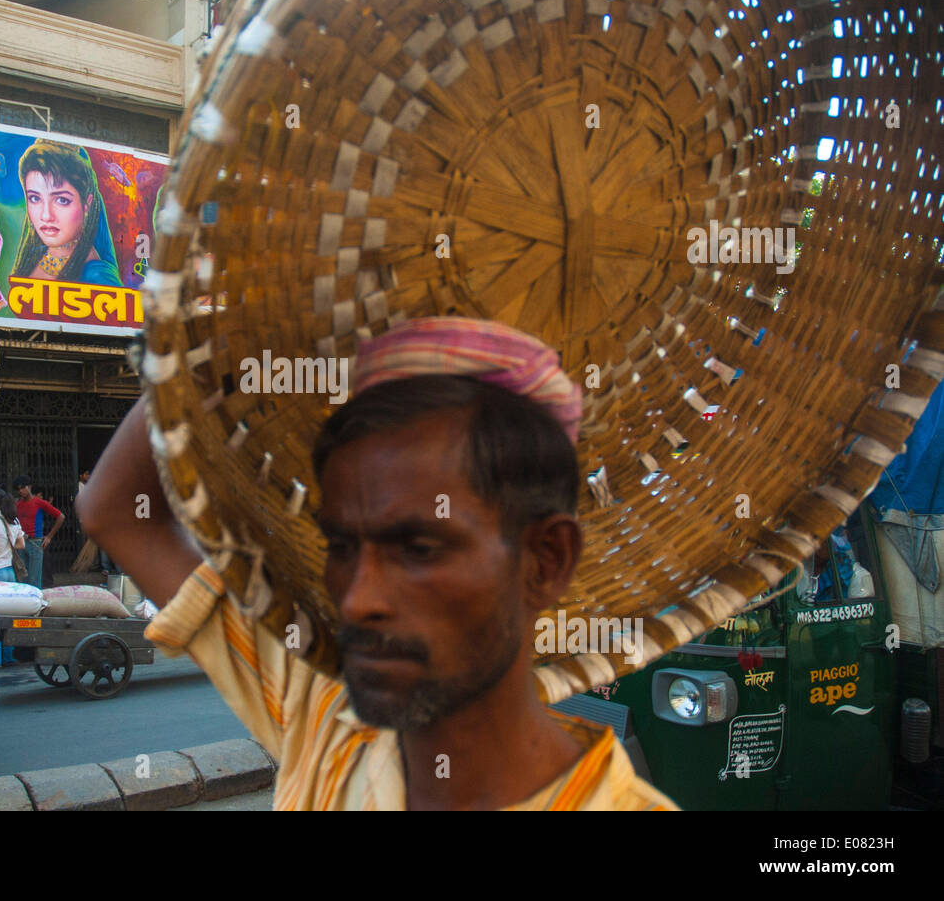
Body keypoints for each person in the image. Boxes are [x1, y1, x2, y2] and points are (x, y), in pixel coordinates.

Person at [80, 317, 677, 811]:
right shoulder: (326, 716)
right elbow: (116, 512)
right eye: (342, 546)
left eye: (419, 549)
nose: (358, 600)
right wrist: (217, 335)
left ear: (546, 561)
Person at [8, 140, 122, 306]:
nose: (46, 215)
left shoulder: (98, 278)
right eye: (35, 198)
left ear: (87, 204)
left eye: (61, 200)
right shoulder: (35, 254)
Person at [13, 475, 64, 586]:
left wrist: (49, 537)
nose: (20, 491)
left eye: (23, 488)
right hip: (22, 542)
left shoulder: (39, 503)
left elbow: (61, 517)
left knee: (34, 578)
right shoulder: (18, 504)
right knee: (22, 577)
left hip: (36, 542)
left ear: (29, 487)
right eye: (18, 489)